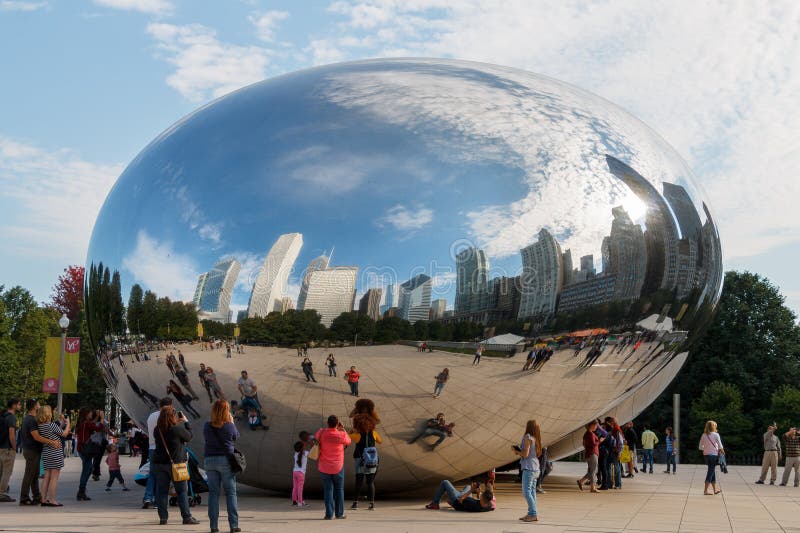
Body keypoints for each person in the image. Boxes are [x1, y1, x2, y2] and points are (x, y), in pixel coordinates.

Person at [152, 405, 199, 525]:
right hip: (177, 465)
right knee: (182, 491)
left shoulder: (157, 430)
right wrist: (186, 421)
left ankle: (163, 518)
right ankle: (186, 517)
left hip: (160, 464)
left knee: (161, 491)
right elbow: (189, 436)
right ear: (173, 416)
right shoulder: (176, 428)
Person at [203, 399, 241, 533]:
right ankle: (234, 525)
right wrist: (231, 422)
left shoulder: (207, 426)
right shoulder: (229, 426)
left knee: (213, 493)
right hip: (225, 461)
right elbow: (236, 437)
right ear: (227, 411)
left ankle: (214, 526)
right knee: (231, 493)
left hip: (209, 460)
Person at [19, 399, 57, 505]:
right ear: (35, 407)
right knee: (29, 474)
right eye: (38, 404)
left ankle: (37, 496)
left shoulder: (29, 418)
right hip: (32, 450)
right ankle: (24, 498)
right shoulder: (31, 420)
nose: (40, 406)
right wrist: (52, 442)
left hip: (32, 450)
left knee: (34, 475)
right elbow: (36, 436)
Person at [315, 415, 352, 520]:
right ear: (337, 424)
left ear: (327, 423)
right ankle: (339, 514)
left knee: (328, 490)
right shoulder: (341, 434)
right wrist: (343, 429)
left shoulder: (321, 432)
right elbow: (349, 441)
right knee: (339, 490)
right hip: (338, 467)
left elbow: (315, 439)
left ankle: (329, 514)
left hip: (324, 466)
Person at [142, 397, 172, 509]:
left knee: (152, 473)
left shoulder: (151, 416)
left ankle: (148, 497)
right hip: (164, 448)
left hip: (152, 447)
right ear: (170, 405)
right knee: (164, 475)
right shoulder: (168, 415)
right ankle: (159, 499)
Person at [349, 408, 382, 510]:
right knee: (370, 482)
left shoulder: (357, 435)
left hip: (360, 460)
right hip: (372, 460)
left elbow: (347, 437)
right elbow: (380, 441)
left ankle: (355, 503)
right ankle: (372, 504)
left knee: (359, 481)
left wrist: (351, 430)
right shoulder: (374, 433)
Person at [37, 405, 70, 506]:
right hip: (55, 452)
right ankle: (52, 500)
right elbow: (64, 434)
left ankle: (43, 499)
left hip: (46, 452)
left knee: (46, 476)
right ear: (48, 414)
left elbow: (55, 432)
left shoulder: (40, 426)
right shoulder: (51, 425)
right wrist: (68, 424)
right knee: (54, 477)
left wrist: (61, 425)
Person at [513, 419, 541, 522]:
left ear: (528, 427)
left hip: (529, 468)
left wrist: (516, 451)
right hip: (536, 468)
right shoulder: (535, 438)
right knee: (532, 491)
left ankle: (533, 514)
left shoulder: (527, 437)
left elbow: (525, 454)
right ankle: (531, 514)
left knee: (526, 492)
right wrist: (519, 452)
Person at [75, 407, 104, 501]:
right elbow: (98, 428)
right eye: (91, 413)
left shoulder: (82, 423)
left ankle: (82, 491)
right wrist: (102, 419)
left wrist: (97, 418)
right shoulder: (86, 423)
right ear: (86, 414)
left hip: (81, 449)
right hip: (86, 449)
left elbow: (91, 425)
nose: (92, 415)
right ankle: (81, 492)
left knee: (88, 469)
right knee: (87, 470)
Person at [425, 478, 495, 512]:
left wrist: (472, 490)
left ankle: (435, 503)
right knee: (468, 486)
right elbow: (490, 503)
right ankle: (455, 492)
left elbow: (460, 499)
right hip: (465, 498)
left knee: (445, 482)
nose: (481, 494)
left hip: (457, 500)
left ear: (482, 498)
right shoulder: (488, 505)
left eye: (481, 494)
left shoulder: (472, 504)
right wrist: (477, 493)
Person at [0, 398, 20, 503]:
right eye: (19, 404)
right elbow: (12, 434)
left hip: (1, 448)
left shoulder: (2, 415)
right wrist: (14, 447)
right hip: (8, 448)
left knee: (1, 471)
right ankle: (2, 493)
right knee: (7, 472)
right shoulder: (11, 418)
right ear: (14, 405)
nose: (20, 406)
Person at [699, 420, 724, 495]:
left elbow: (700, 447)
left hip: (706, 455)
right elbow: (720, 446)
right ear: (713, 427)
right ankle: (705, 491)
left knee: (712, 471)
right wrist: (722, 451)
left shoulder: (704, 435)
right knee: (711, 471)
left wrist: (706, 449)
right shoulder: (716, 435)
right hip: (713, 455)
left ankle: (715, 490)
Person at [577, 420, 600, 493]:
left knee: (593, 470)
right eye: (596, 425)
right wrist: (600, 441)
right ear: (592, 425)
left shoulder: (587, 434)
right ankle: (592, 488)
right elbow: (593, 444)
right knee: (593, 471)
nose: (596, 427)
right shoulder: (590, 434)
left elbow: (584, 444)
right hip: (592, 453)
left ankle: (581, 481)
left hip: (590, 453)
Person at [291, 441, 309, 508]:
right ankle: (300, 502)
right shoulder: (306, 453)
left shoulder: (295, 454)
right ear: (302, 448)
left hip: (295, 472)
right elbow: (313, 454)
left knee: (295, 487)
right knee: (300, 488)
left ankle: (294, 501)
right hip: (301, 473)